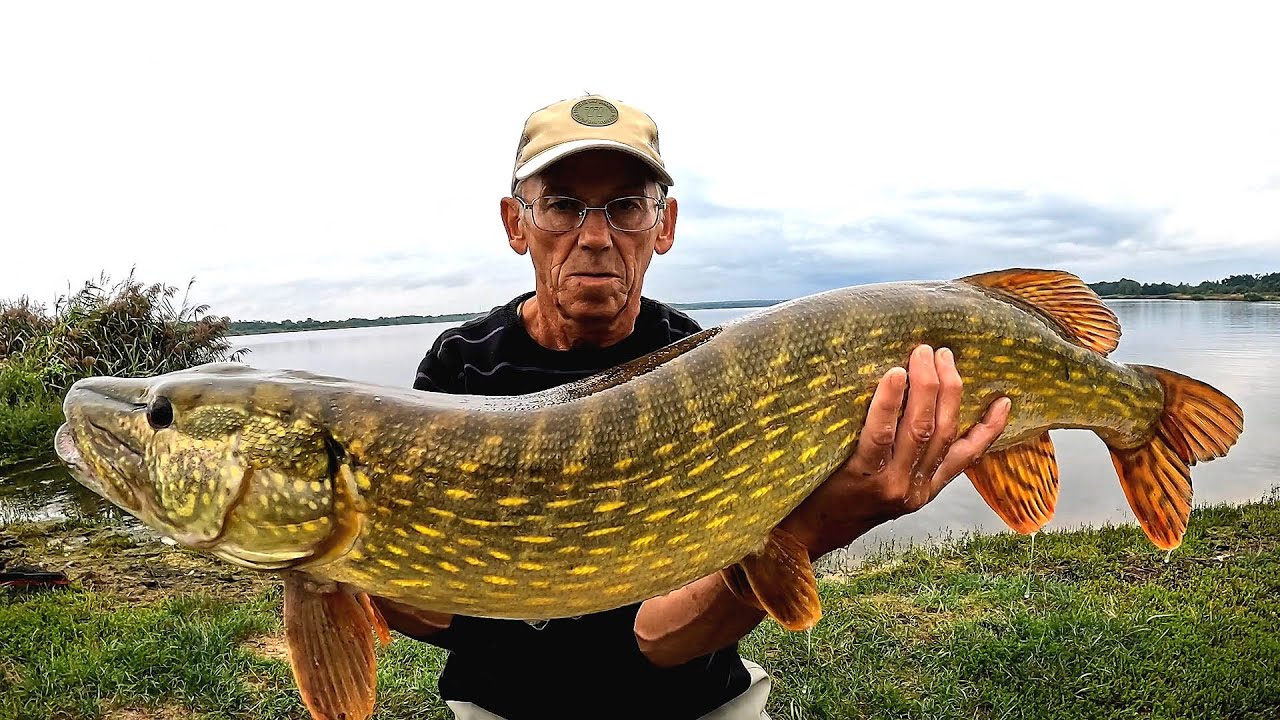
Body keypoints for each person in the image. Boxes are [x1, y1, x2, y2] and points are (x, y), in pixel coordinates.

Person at [371, 95, 1011, 720]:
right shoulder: (460, 368)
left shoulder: (707, 366)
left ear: (665, 225)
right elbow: (446, 612)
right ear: (517, 224)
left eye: (625, 207)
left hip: (692, 701)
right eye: (562, 206)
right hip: (504, 703)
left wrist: (814, 528)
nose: (594, 237)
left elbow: (660, 640)